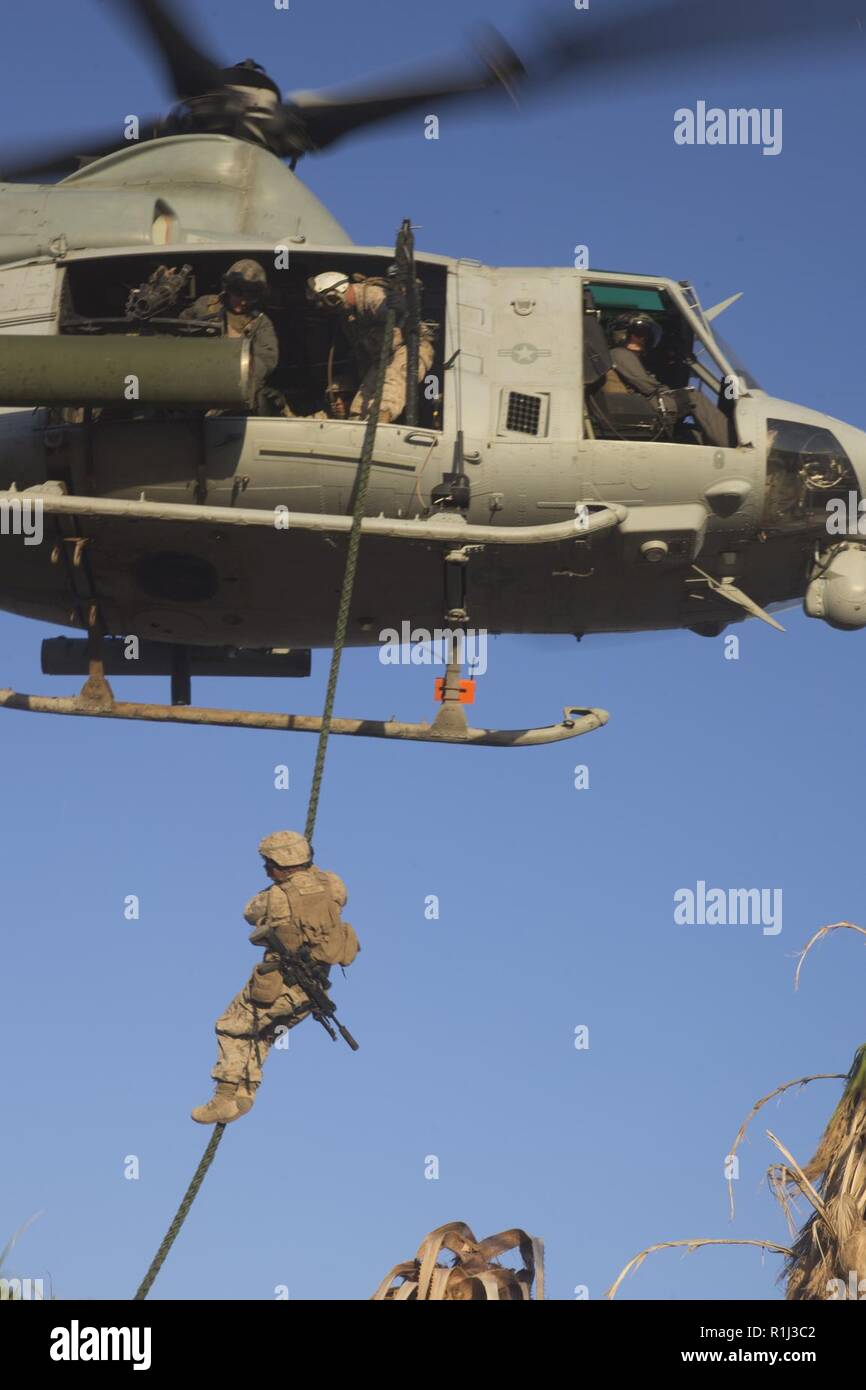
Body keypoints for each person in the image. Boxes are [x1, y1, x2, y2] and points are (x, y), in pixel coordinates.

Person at [191, 831, 360, 1125]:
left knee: (231, 1027)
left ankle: (224, 1096)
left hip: (281, 984)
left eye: (268, 864)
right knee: (265, 1032)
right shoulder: (333, 883)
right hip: (315, 989)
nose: (267, 870)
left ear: (279, 864)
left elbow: (249, 912)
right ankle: (246, 1091)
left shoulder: (275, 897)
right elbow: (337, 900)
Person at [306, 271, 435, 423]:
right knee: (360, 405)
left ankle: (380, 418)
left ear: (334, 297)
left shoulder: (373, 296)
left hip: (411, 347)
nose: (325, 309)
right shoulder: (348, 317)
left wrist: (399, 306)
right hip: (383, 357)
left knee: (393, 380)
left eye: (325, 302)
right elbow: (361, 352)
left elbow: (395, 313)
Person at [608, 312, 730, 448]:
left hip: (638, 407)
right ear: (623, 333)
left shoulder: (622, 357)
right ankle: (731, 442)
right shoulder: (619, 353)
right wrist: (670, 392)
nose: (643, 339)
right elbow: (646, 385)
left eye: (647, 335)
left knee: (693, 434)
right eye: (639, 333)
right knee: (693, 398)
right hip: (639, 406)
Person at [179, 259, 279, 413]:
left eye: (250, 294)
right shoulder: (205, 305)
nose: (244, 300)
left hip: (234, 392)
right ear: (229, 289)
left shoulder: (260, 322)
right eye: (239, 292)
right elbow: (177, 334)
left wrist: (237, 387)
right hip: (193, 384)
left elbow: (265, 361)